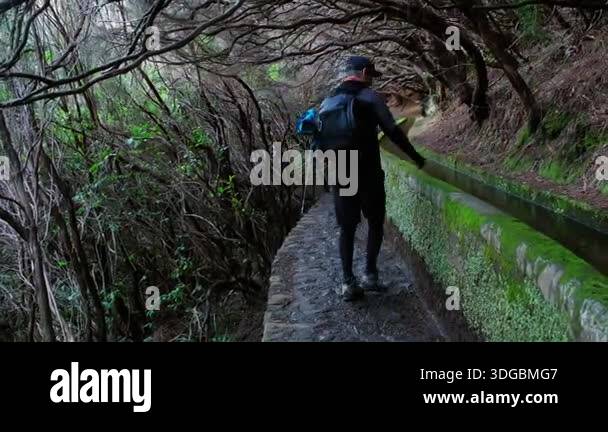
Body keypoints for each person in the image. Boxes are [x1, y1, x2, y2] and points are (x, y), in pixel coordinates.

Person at [320, 56, 426, 301]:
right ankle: (370, 275)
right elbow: (392, 130)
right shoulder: (370, 98)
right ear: (365, 72)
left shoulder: (329, 102)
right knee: (375, 222)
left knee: (346, 228)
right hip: (367, 171)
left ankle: (348, 283)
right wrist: (415, 157)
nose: (371, 81)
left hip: (342, 171)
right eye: (371, 76)